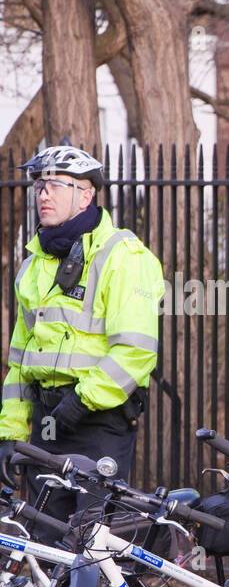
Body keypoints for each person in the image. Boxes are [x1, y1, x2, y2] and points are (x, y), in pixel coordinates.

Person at [0, 145, 161, 533]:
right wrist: (9, 433)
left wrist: (80, 402)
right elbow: (21, 361)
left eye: (55, 184)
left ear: (86, 193)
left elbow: (136, 351)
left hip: (98, 423)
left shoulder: (122, 255)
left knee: (91, 543)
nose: (44, 194)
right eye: (38, 185)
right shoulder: (33, 264)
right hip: (47, 423)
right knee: (45, 539)